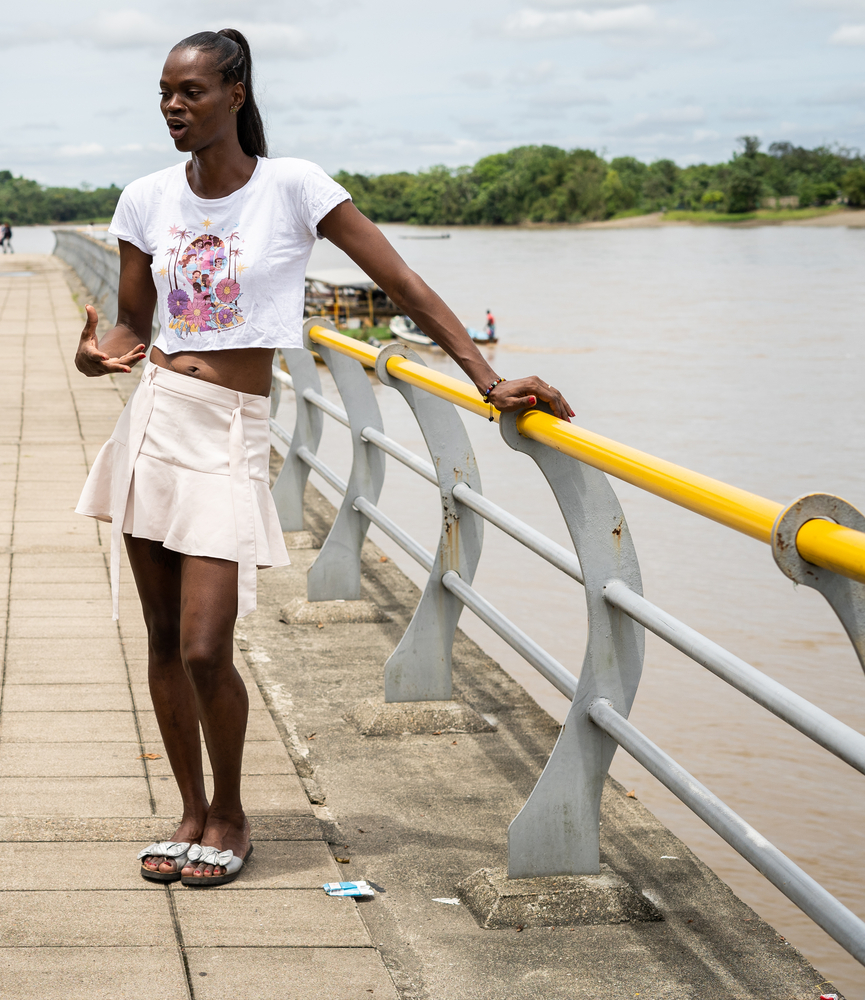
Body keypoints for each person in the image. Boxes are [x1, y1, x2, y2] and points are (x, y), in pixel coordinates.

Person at [74, 29, 573, 888]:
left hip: (231, 428)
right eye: (163, 92)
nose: (172, 107)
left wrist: (486, 376)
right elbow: (131, 324)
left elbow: (404, 283)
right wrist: (95, 355)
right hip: (155, 418)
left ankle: (233, 815)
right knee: (160, 639)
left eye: (190, 91)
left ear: (236, 91)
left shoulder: (295, 187)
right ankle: (190, 810)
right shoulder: (144, 199)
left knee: (203, 646)